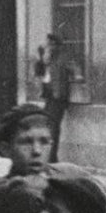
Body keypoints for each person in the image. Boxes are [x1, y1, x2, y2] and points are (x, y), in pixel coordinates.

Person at [35, 32, 77, 164]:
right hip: (49, 96)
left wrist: (76, 76)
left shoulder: (63, 58)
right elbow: (39, 72)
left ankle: (52, 158)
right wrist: (41, 57)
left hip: (58, 97)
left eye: (49, 44)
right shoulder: (48, 58)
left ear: (54, 45)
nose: (46, 46)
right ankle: (50, 157)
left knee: (53, 127)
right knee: (48, 126)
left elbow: (74, 71)